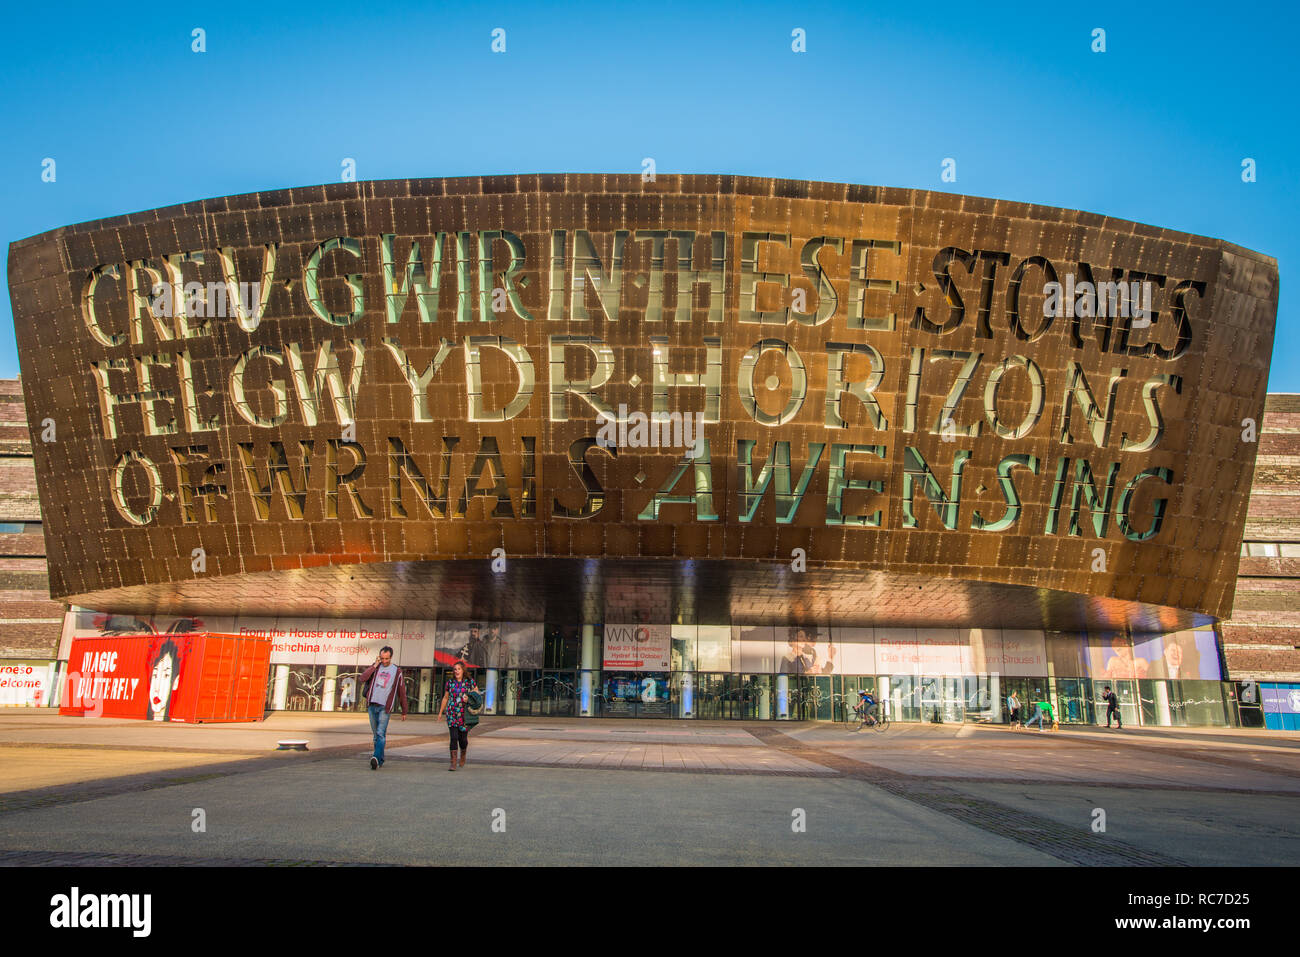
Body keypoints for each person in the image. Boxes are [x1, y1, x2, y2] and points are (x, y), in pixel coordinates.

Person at [359, 647, 407, 769]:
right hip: (372, 705)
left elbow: (401, 691)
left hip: (384, 706)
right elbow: (362, 678)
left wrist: (404, 710)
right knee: (376, 735)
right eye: (382, 658)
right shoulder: (375, 667)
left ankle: (375, 756)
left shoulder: (396, 671)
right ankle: (379, 760)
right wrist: (375, 665)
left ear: (391, 657)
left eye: (386, 658)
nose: (384, 661)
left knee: (381, 733)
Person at [437, 659, 481, 771]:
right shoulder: (450, 683)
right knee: (453, 737)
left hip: (463, 714)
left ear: (463, 670)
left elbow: (477, 694)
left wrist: (469, 697)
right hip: (452, 713)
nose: (456, 671)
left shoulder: (469, 682)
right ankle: (453, 762)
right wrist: (441, 712)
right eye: (455, 669)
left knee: (463, 739)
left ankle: (463, 753)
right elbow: (446, 697)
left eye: (459, 669)